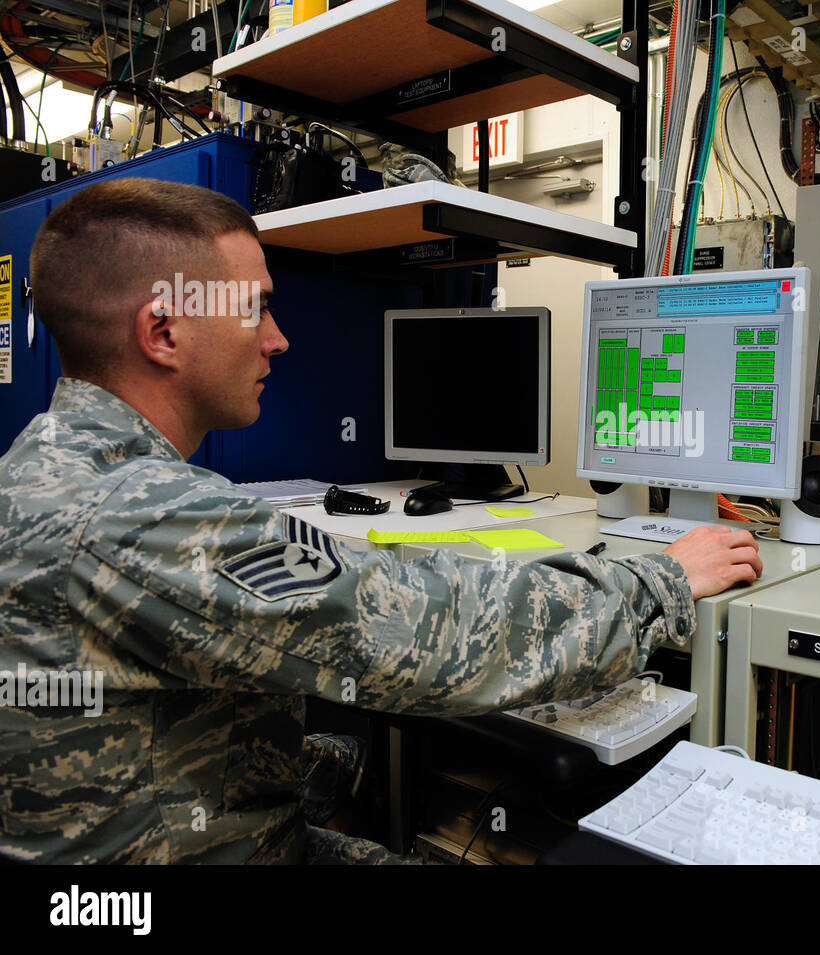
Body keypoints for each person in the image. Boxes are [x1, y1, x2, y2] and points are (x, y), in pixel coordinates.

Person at [0, 178, 763, 864]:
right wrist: (659, 580)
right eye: (256, 306)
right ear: (163, 331)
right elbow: (423, 625)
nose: (277, 337)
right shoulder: (139, 516)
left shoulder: (42, 464)